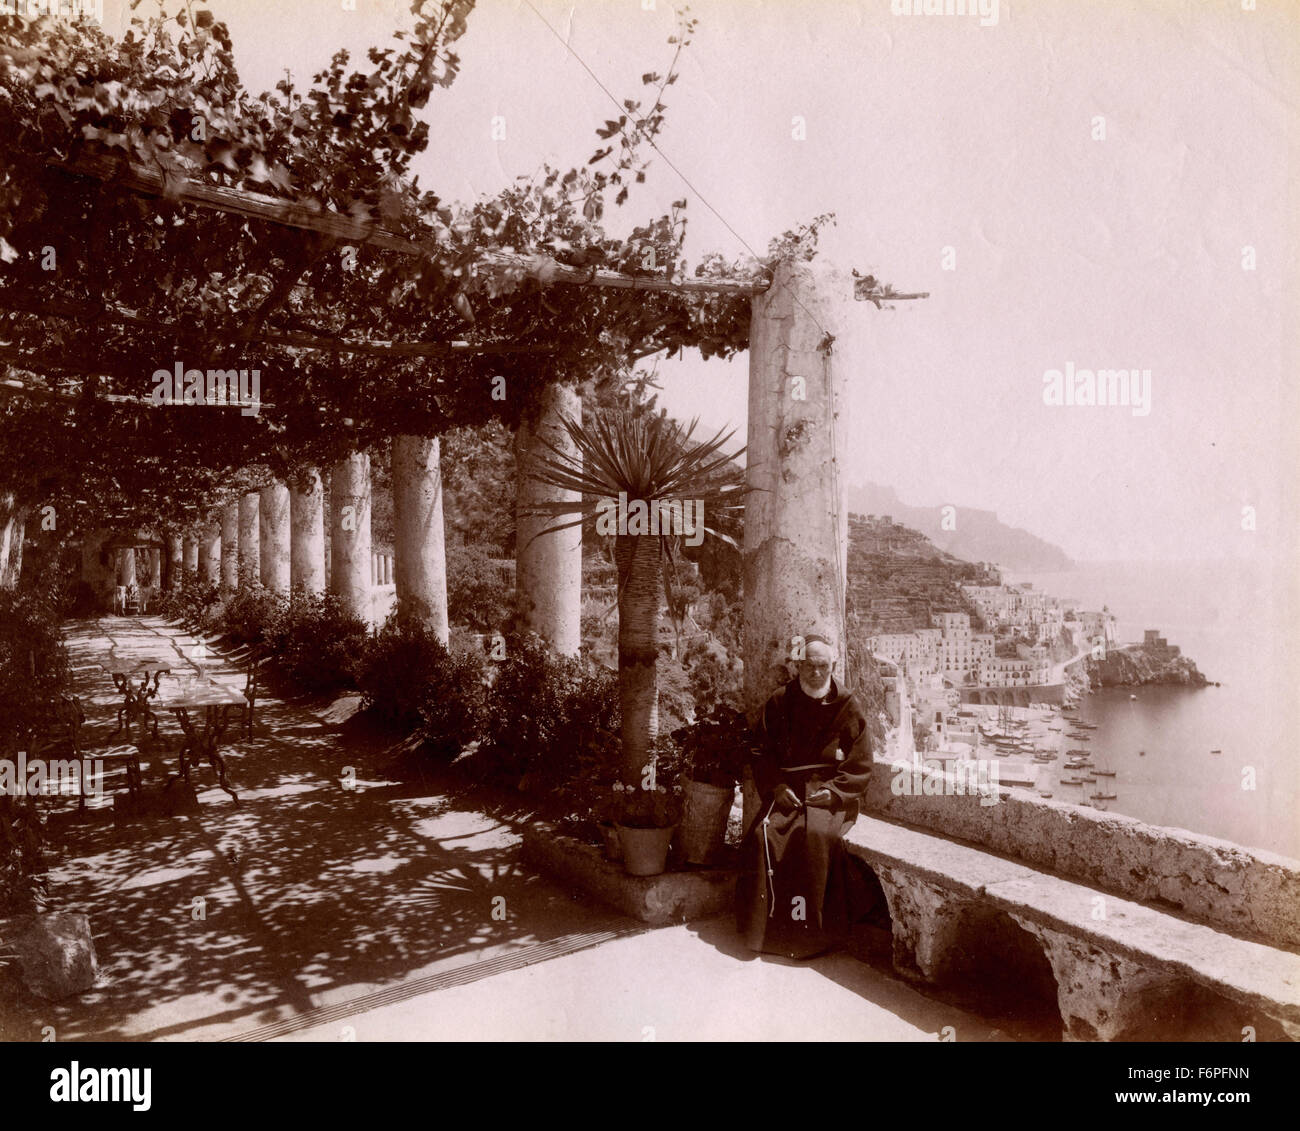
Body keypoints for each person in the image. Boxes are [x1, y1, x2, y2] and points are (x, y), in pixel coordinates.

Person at [735, 632, 877, 958]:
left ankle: (811, 936)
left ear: (833, 665)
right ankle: (767, 933)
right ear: (798, 665)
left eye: (822, 666)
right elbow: (762, 752)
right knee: (763, 836)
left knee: (813, 835)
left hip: (830, 791)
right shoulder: (780, 701)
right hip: (788, 789)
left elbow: (861, 761)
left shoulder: (848, 704)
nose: (815, 673)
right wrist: (777, 788)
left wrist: (835, 792)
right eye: (809, 666)